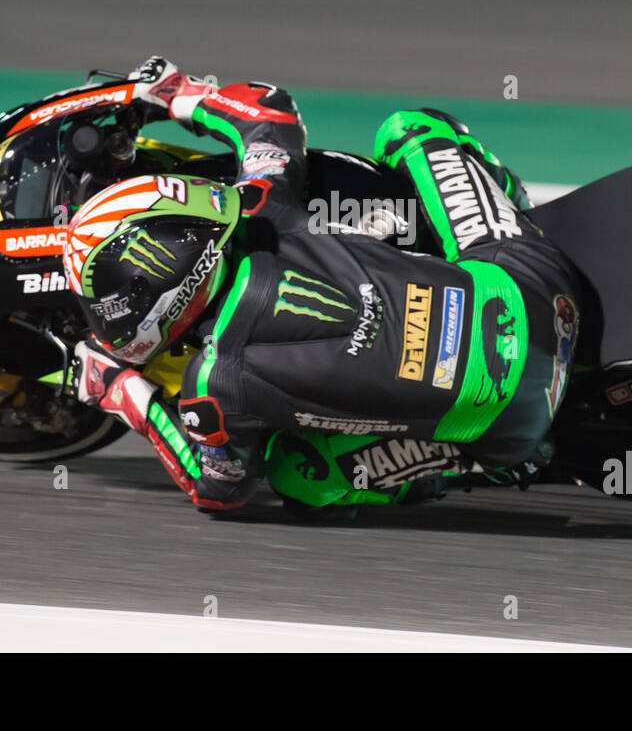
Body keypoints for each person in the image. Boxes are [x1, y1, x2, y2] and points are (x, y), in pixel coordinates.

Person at [62, 56, 581, 512]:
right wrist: (181, 97)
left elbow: (217, 489)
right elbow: (269, 109)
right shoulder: (267, 205)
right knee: (411, 128)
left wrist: (124, 393)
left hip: (514, 421)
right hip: (536, 290)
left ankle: (482, 464)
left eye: (101, 296)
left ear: (159, 291)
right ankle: (510, 204)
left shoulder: (213, 385)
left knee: (299, 476)